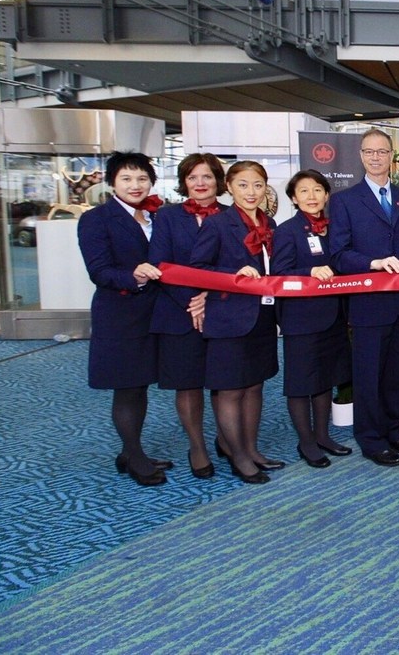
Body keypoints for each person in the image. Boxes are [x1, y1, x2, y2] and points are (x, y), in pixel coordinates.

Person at [327, 129, 399, 467]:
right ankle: (371, 439)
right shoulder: (344, 201)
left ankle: (394, 429)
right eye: (369, 152)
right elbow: (338, 255)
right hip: (368, 305)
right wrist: (372, 263)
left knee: (398, 372)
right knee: (369, 374)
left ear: (392, 156)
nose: (376, 157)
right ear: (361, 156)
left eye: (382, 152)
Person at [77, 150, 169, 486]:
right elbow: (99, 271)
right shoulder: (96, 219)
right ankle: (134, 455)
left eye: (142, 178)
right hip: (120, 314)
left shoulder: (157, 216)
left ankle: (131, 451)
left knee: (141, 384)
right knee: (127, 388)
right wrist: (135, 276)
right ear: (112, 182)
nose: (135, 185)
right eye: (127, 178)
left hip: (155, 313)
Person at [190, 160, 281, 484]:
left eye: (257, 185)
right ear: (228, 187)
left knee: (255, 385)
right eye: (243, 185)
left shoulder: (268, 223)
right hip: (228, 317)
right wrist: (233, 275)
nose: (251, 192)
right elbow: (197, 268)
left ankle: (251, 448)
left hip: (262, 316)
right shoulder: (217, 224)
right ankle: (237, 455)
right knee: (230, 390)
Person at [147, 152, 225, 479]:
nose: (200, 183)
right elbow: (160, 264)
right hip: (178, 311)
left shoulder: (235, 216)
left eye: (206, 176)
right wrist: (192, 301)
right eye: (193, 178)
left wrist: (208, 296)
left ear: (218, 181)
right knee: (188, 384)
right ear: (184, 182)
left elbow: (236, 265)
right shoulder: (167, 217)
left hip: (222, 309)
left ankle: (228, 439)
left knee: (225, 382)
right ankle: (198, 446)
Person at [272, 169, 356, 469]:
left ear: (326, 195)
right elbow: (279, 273)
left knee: (325, 379)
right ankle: (305, 441)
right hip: (301, 318)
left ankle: (322, 435)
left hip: (334, 316)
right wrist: (309, 272)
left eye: (317, 190)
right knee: (300, 382)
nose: (311, 196)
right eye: (304, 191)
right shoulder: (287, 230)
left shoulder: (334, 229)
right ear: (294, 198)